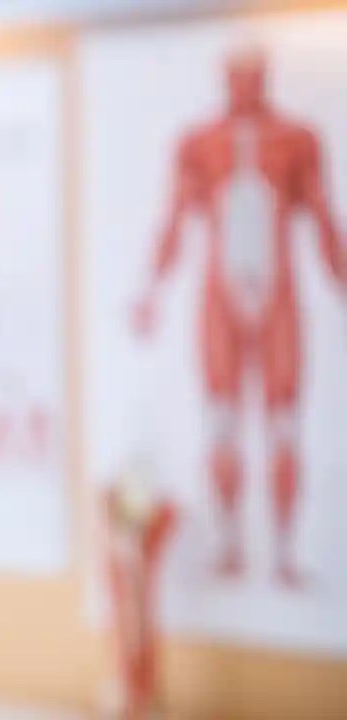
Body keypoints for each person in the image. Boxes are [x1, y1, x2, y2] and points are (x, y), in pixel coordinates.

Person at [132, 45, 345, 588]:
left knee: (284, 426)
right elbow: (174, 219)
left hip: (280, 297)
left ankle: (283, 552)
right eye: (235, 74)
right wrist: (151, 289)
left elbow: (323, 217)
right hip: (219, 298)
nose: (244, 84)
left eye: (254, 74)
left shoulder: (297, 140)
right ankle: (230, 543)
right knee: (222, 424)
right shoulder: (199, 143)